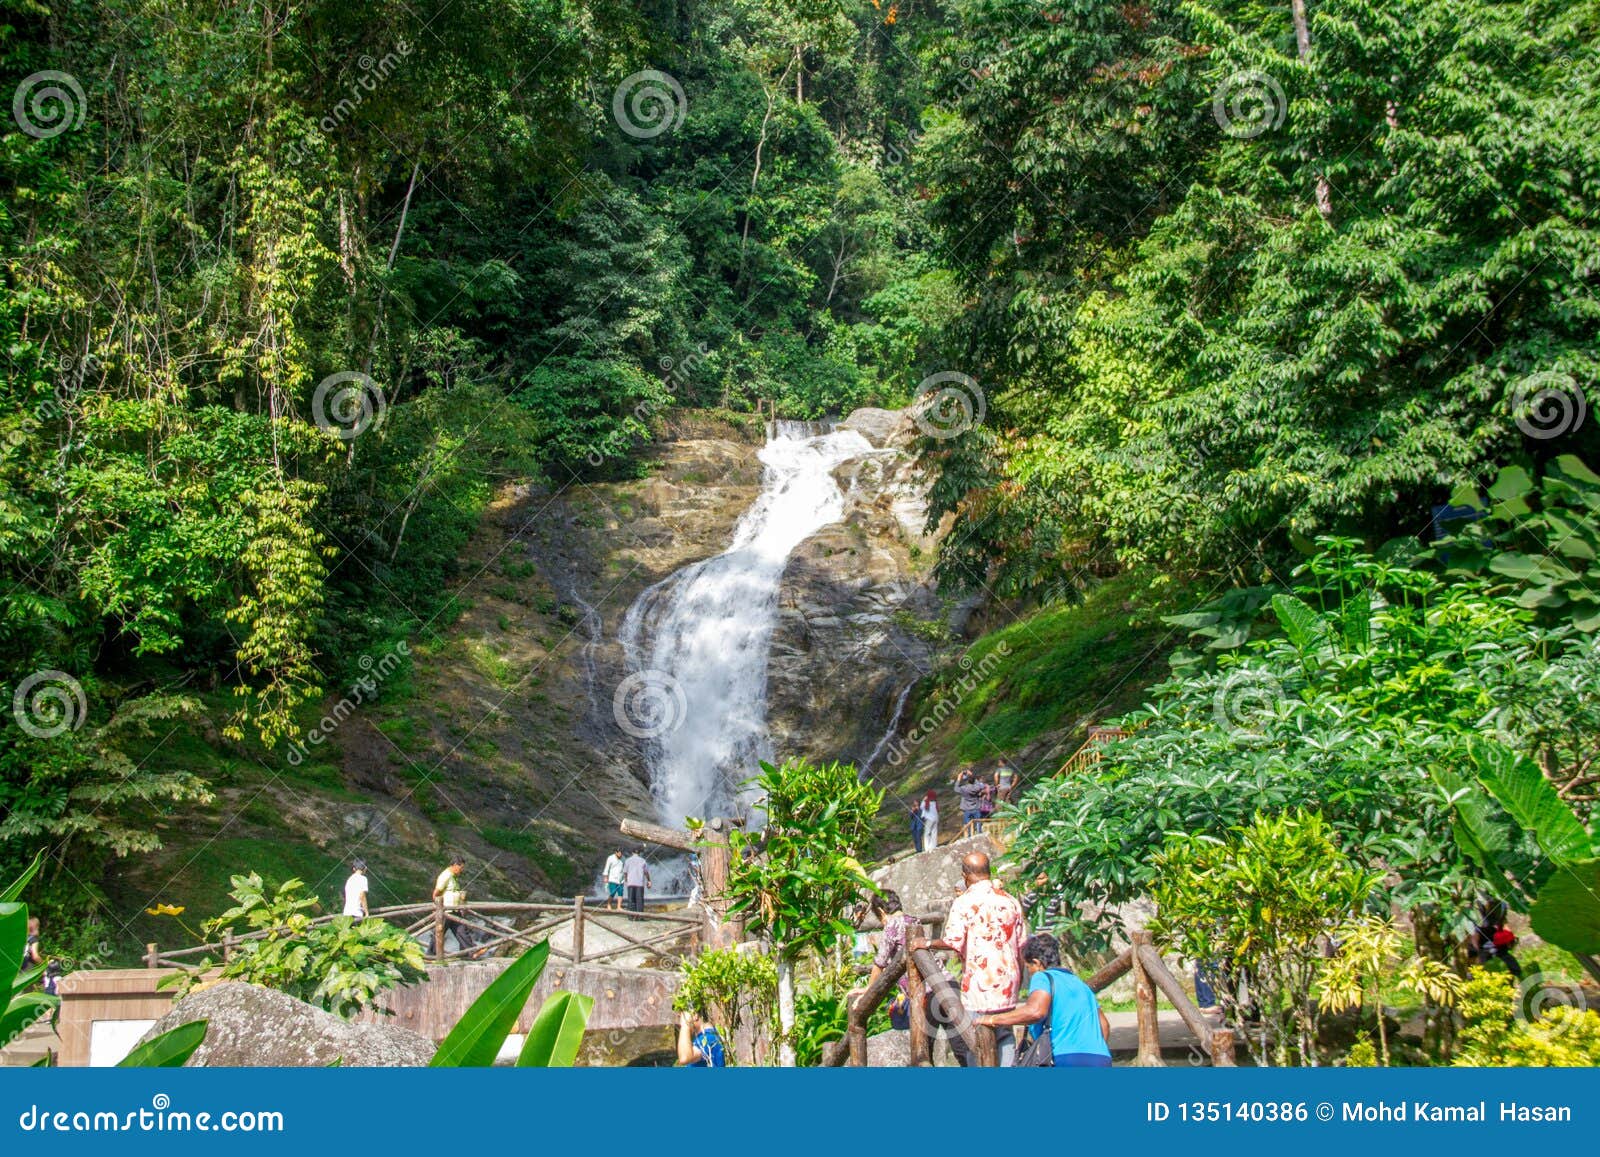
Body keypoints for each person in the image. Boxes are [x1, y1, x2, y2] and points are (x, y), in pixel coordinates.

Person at [915, 851, 1027, 1066]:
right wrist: (1018, 980)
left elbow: (952, 941)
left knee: (975, 1040)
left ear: (965, 875)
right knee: (1004, 1034)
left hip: (979, 985)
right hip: (1008, 982)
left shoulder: (964, 902)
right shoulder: (1010, 901)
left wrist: (927, 943)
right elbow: (1022, 945)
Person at [975, 932, 1111, 1066]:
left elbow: (1035, 1011)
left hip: (1065, 1058)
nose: (1029, 972)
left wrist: (993, 1019)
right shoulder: (1080, 984)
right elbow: (1104, 1025)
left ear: (1037, 963)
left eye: (1028, 968)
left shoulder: (1043, 977)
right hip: (1101, 1059)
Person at [863, 890, 918, 1030]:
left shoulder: (891, 925)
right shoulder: (915, 920)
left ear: (881, 912)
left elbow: (880, 962)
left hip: (917, 991)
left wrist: (868, 989)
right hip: (933, 982)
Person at [432, 853, 482, 957]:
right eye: (461, 867)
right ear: (455, 865)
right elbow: (436, 893)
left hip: (454, 910)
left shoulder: (454, 877)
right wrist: (439, 907)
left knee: (462, 931)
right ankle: (431, 954)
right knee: (439, 932)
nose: (461, 870)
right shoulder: (445, 876)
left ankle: (472, 952)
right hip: (446, 911)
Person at [623, 848, 650, 914]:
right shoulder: (643, 860)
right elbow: (646, 872)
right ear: (639, 853)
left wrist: (626, 880)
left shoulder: (627, 860)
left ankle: (631, 916)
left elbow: (625, 872)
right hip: (639, 883)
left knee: (631, 900)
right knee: (639, 900)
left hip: (631, 883)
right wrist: (649, 880)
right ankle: (640, 916)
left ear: (632, 853)